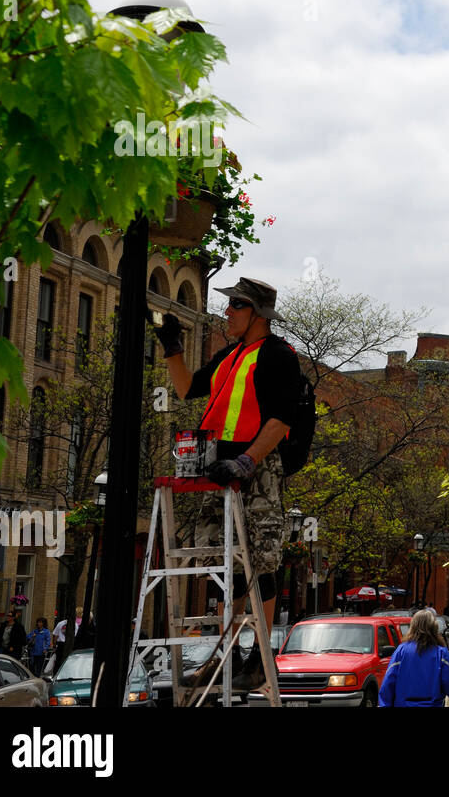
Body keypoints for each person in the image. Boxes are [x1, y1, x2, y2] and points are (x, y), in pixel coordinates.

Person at [157, 277, 301, 693]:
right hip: (216, 470)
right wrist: (172, 348)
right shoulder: (229, 356)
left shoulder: (278, 355)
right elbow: (186, 389)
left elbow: (281, 420)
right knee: (226, 564)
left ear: (258, 313)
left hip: (253, 468)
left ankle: (259, 657)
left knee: (260, 560)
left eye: (236, 305)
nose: (228, 312)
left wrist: (245, 461)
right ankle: (225, 654)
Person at [378, 609, 449, 707]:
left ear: (412, 626)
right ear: (434, 627)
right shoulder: (441, 653)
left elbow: (388, 682)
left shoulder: (401, 650)